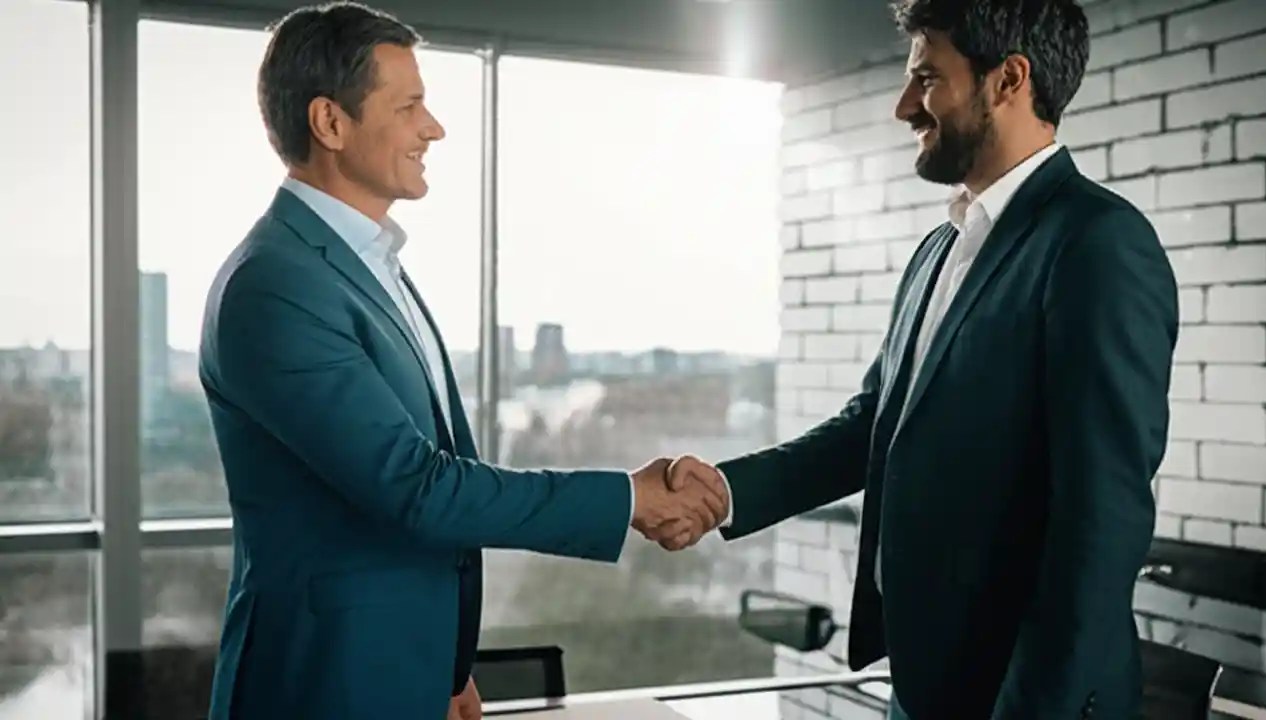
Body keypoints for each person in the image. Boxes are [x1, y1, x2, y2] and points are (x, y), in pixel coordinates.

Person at [197, 3, 725, 719]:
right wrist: (628, 499)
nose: (433, 127)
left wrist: (443, 668)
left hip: (398, 670)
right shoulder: (276, 286)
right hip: (324, 683)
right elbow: (417, 487)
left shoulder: (369, 264)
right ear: (330, 123)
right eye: (409, 105)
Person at [659, 0, 1178, 717]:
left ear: (1009, 80)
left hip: (1022, 700)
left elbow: (1101, 522)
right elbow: (872, 426)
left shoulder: (1098, 245)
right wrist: (726, 491)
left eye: (927, 79)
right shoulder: (940, 249)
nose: (905, 106)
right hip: (928, 687)